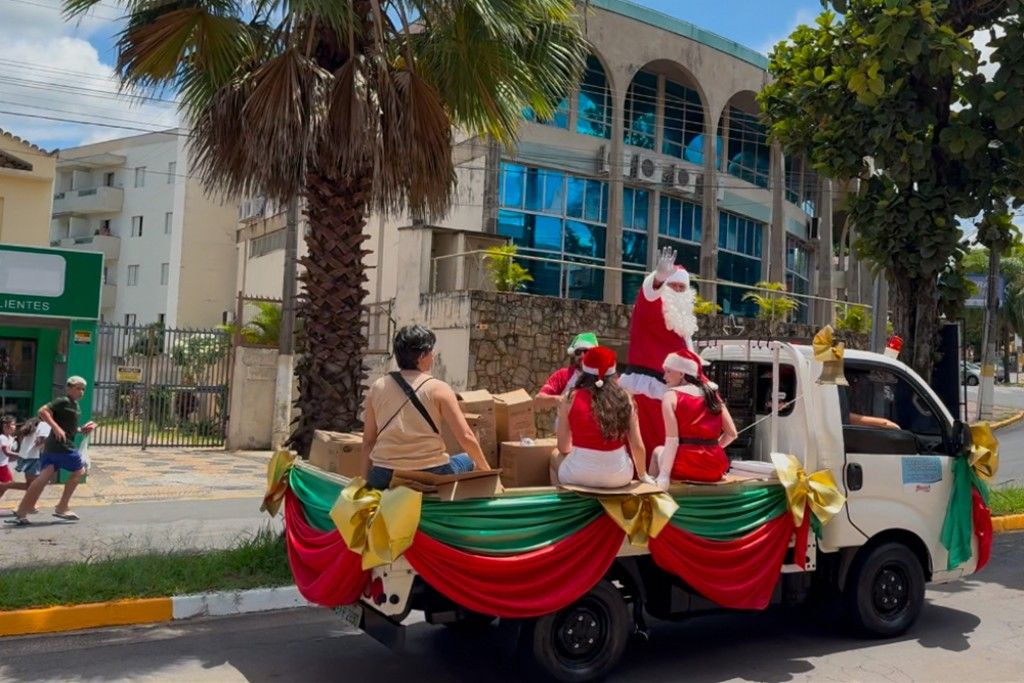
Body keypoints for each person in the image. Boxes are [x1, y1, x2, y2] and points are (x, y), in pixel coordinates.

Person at [361, 325, 491, 490]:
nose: (433, 355)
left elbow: (368, 441)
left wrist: (365, 482)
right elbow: (465, 436)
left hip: (385, 474)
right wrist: (488, 473)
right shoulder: (439, 388)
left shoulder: (377, 387)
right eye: (431, 351)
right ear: (422, 356)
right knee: (468, 459)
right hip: (431, 472)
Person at [619, 246, 703, 461]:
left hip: (674, 392)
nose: (677, 290)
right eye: (673, 285)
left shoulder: (683, 323)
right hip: (648, 390)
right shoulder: (652, 306)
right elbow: (649, 295)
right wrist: (658, 278)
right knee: (650, 444)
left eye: (682, 287)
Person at [5, 377, 97, 526]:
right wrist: (56, 427)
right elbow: (42, 411)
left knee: (41, 479)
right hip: (62, 446)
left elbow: (67, 428)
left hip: (51, 447)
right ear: (68, 388)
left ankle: (21, 513)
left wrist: (81, 430)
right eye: (77, 388)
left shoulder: (74, 405)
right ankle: (62, 507)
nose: (81, 392)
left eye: (83, 389)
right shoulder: (63, 401)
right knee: (80, 471)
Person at [554, 346, 650, 488]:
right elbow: (637, 446)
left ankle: (563, 500)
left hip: (577, 475)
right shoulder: (626, 398)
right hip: (619, 477)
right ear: (613, 372)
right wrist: (643, 475)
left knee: (554, 455)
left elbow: (563, 447)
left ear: (584, 371)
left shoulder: (569, 398)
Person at [651, 351, 737, 489]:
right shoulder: (712, 395)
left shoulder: (670, 396)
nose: (664, 376)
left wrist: (664, 475)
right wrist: (710, 450)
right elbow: (732, 434)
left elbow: (672, 440)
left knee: (657, 451)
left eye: (668, 371)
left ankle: (654, 497)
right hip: (715, 467)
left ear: (682, 373)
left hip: (683, 465)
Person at [534, 332, 599, 412]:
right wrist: (561, 399)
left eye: (586, 351)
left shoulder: (605, 378)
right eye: (578, 352)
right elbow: (539, 399)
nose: (582, 355)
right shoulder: (563, 375)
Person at [0, 416, 17, 500]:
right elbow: (7, 452)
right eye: (13, 424)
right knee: (8, 483)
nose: (15, 426)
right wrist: (21, 455)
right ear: (5, 426)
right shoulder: (2, 437)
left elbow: (8, 456)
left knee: (6, 485)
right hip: (1, 466)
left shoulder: (10, 438)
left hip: (3, 465)